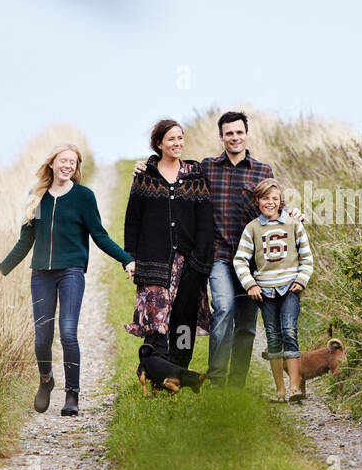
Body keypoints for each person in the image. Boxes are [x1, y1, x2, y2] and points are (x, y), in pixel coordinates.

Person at [133, 110, 301, 388]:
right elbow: (173, 170)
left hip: (254, 261)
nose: (234, 137)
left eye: (239, 132)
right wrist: (147, 165)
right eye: (229, 133)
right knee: (223, 309)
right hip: (220, 257)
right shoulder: (206, 168)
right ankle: (216, 379)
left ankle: (236, 384)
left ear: (246, 134)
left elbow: (274, 207)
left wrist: (292, 212)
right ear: (221, 137)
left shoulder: (262, 171)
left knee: (247, 324)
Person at [0, 142, 133, 417]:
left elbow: (100, 236)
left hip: (71, 272)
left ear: (76, 168)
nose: (68, 165)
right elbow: (25, 241)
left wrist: (126, 259)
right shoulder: (36, 197)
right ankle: (46, 380)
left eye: (73, 162)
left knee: (67, 332)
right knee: (41, 338)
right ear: (51, 163)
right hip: (41, 274)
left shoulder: (84, 197)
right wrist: (1, 270)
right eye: (63, 160)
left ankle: (72, 395)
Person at [123, 120, 213, 382]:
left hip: (189, 263)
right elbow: (133, 221)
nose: (177, 143)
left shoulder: (195, 175)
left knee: (183, 322)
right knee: (155, 320)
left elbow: (205, 222)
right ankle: (166, 374)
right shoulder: (145, 176)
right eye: (171, 139)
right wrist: (130, 259)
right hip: (153, 261)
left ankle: (178, 370)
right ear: (159, 143)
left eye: (180, 138)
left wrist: (200, 262)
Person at [233, 179, 313, 403]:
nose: (270, 202)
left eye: (275, 199)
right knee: (273, 335)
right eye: (265, 198)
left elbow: (307, 257)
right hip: (265, 291)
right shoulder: (252, 229)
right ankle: (279, 390)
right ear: (257, 201)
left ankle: (295, 387)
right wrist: (250, 283)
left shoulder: (294, 224)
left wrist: (301, 279)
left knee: (289, 331)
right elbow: (240, 260)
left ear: (281, 202)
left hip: (290, 287)